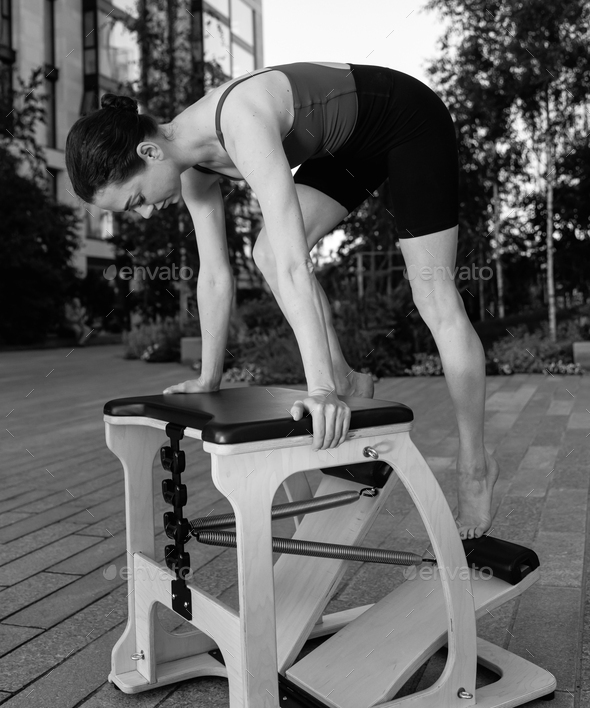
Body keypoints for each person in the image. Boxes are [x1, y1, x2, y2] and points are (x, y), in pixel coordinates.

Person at [65, 61, 499, 539]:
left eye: (136, 201)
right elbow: (214, 276)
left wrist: (320, 394)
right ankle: (349, 378)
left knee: (433, 295)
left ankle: (475, 465)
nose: (145, 214)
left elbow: (297, 264)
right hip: (349, 146)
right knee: (265, 250)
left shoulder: (239, 120)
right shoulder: (192, 171)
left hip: (405, 117)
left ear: (149, 151)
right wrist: (209, 376)